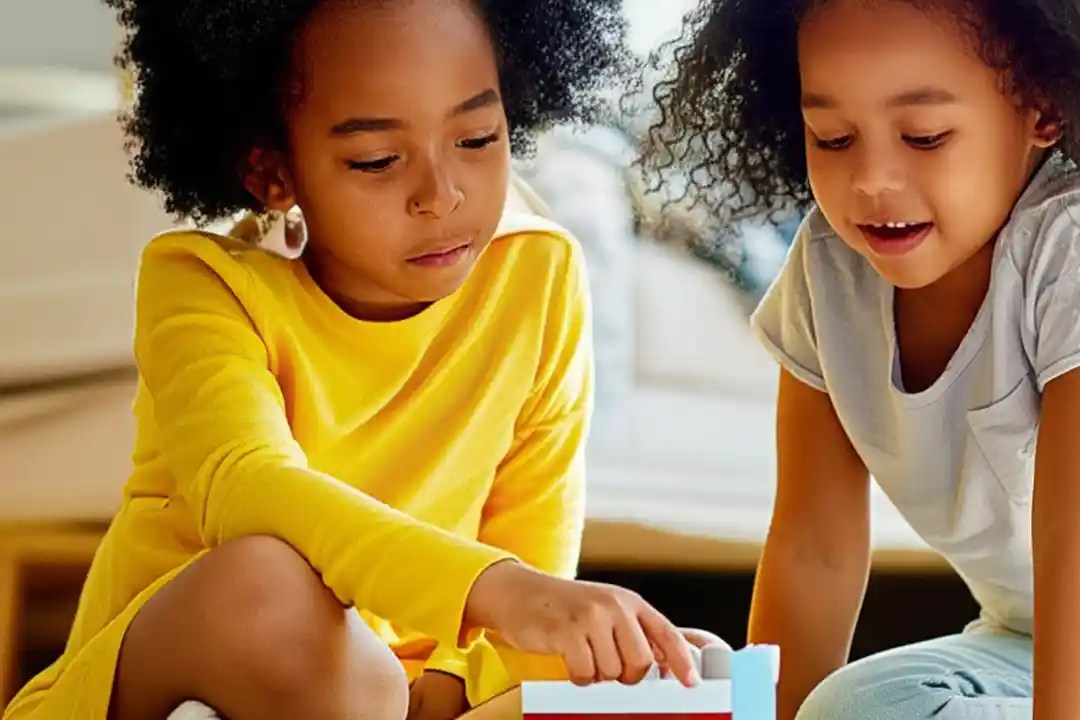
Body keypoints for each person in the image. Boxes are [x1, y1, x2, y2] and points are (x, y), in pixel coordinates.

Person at [2, 1, 712, 719]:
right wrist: (497, 590)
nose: (442, 195)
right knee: (267, 582)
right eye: (376, 160)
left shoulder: (540, 277)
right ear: (270, 171)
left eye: (476, 138)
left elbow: (534, 564)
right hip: (184, 684)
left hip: (394, 697)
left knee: (687, 662)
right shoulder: (201, 285)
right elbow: (250, 487)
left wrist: (468, 678)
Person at [644, 0, 1080, 718]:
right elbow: (813, 545)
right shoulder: (827, 273)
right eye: (833, 137)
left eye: (924, 136)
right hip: (1038, 646)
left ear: (1041, 108)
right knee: (850, 708)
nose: (872, 180)